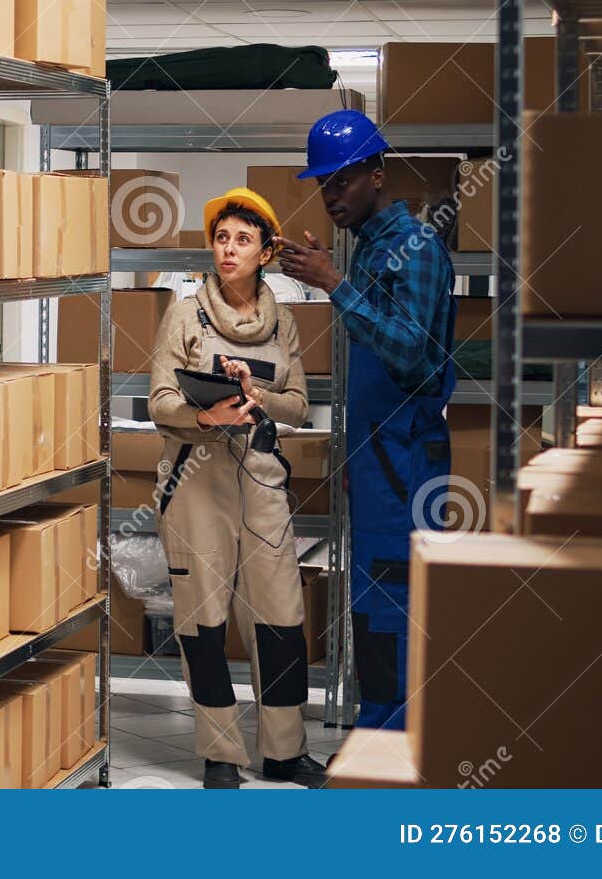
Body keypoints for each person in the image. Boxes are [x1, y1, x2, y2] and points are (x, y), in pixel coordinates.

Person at [273, 109, 456, 731]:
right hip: (377, 454)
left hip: (405, 456)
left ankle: (394, 742)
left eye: (343, 180)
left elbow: (409, 351)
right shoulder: (371, 250)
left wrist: (335, 285)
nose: (332, 195)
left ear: (377, 174)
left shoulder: (417, 248)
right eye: (324, 184)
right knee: (373, 599)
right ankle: (379, 730)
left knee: (394, 598)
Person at [147, 187, 326, 789]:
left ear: (266, 253)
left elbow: (297, 406)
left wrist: (256, 393)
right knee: (203, 622)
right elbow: (159, 402)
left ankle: (285, 750)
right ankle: (220, 753)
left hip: (262, 479)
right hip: (197, 483)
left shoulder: (283, 322)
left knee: (281, 618)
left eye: (243, 240)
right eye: (221, 237)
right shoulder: (185, 313)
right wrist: (206, 416)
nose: (228, 249)